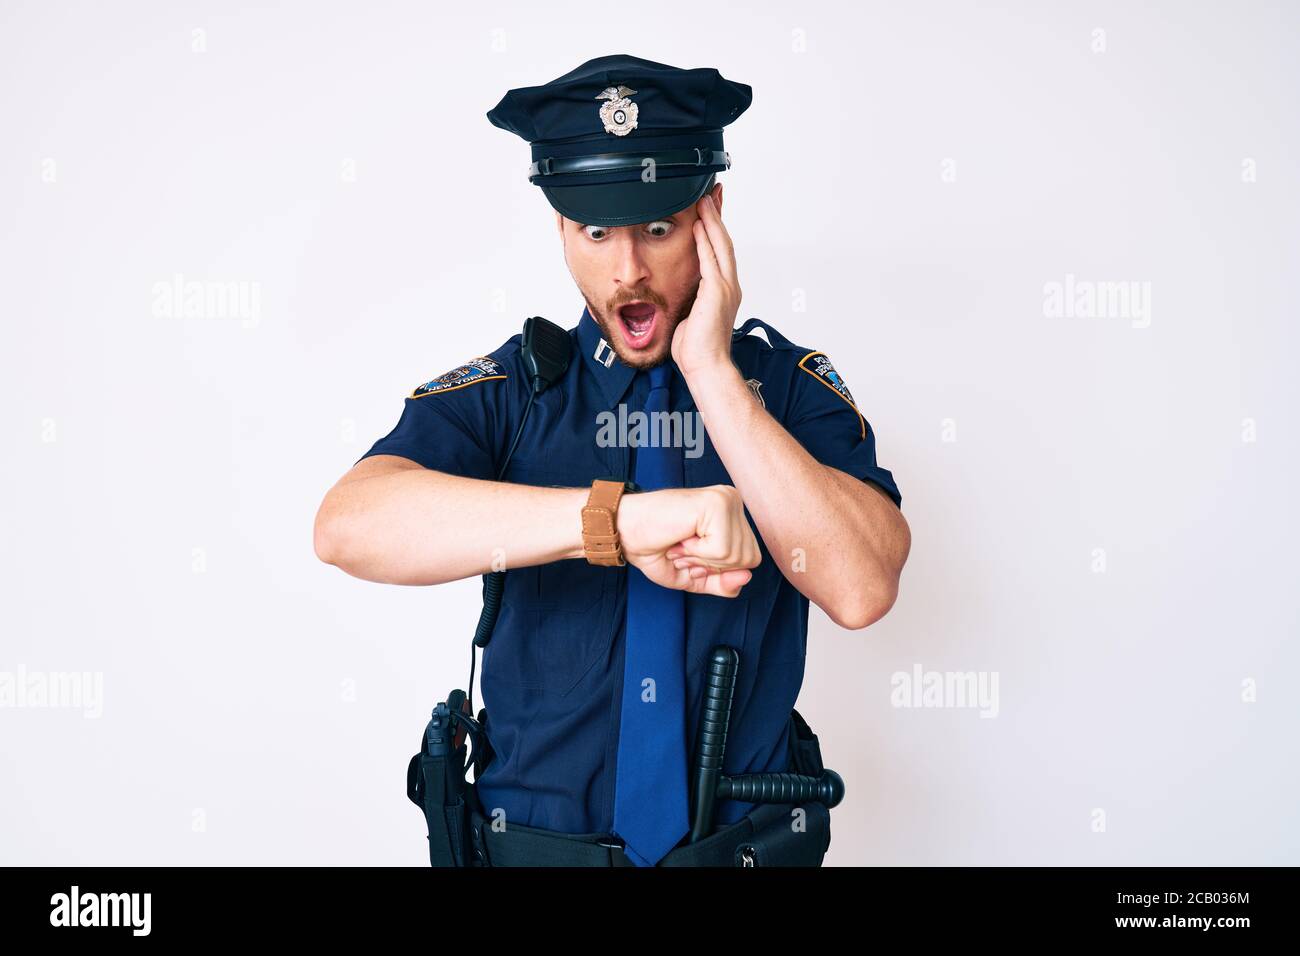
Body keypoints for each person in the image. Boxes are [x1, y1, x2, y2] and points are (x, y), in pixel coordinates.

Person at [313, 54, 911, 867]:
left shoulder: (785, 389)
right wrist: (616, 522)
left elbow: (862, 584)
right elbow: (348, 524)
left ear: (712, 214)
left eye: (658, 228)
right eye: (596, 231)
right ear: (561, 229)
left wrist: (713, 377)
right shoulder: (516, 391)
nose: (628, 268)